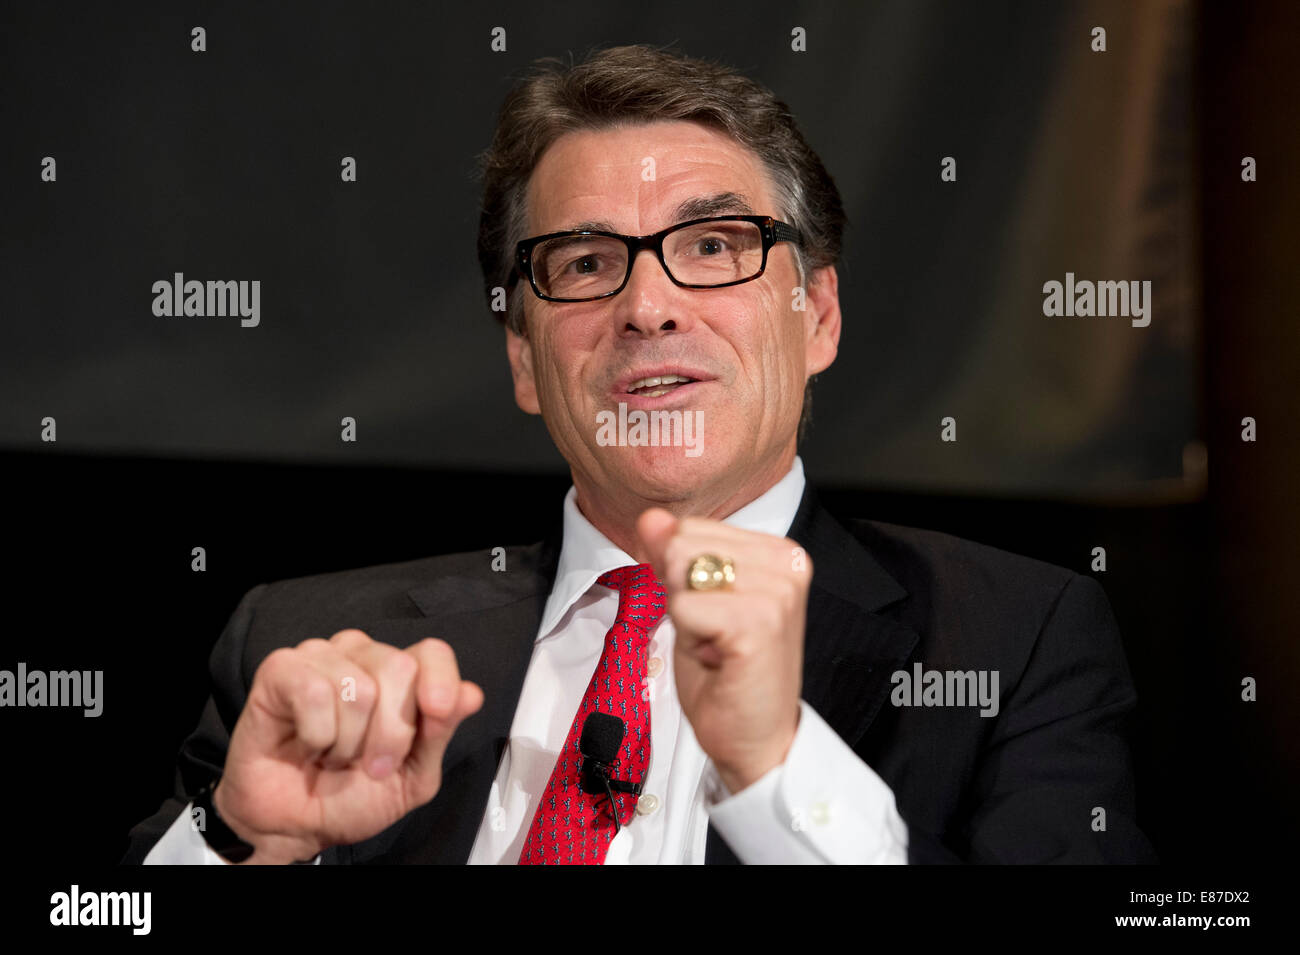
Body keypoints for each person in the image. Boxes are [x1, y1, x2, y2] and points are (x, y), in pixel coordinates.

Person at [124, 44, 1154, 865]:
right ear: (525, 361)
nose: (647, 306)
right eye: (585, 261)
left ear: (820, 318)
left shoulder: (1013, 641)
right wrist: (237, 843)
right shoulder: (311, 644)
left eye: (713, 245)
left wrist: (777, 771)